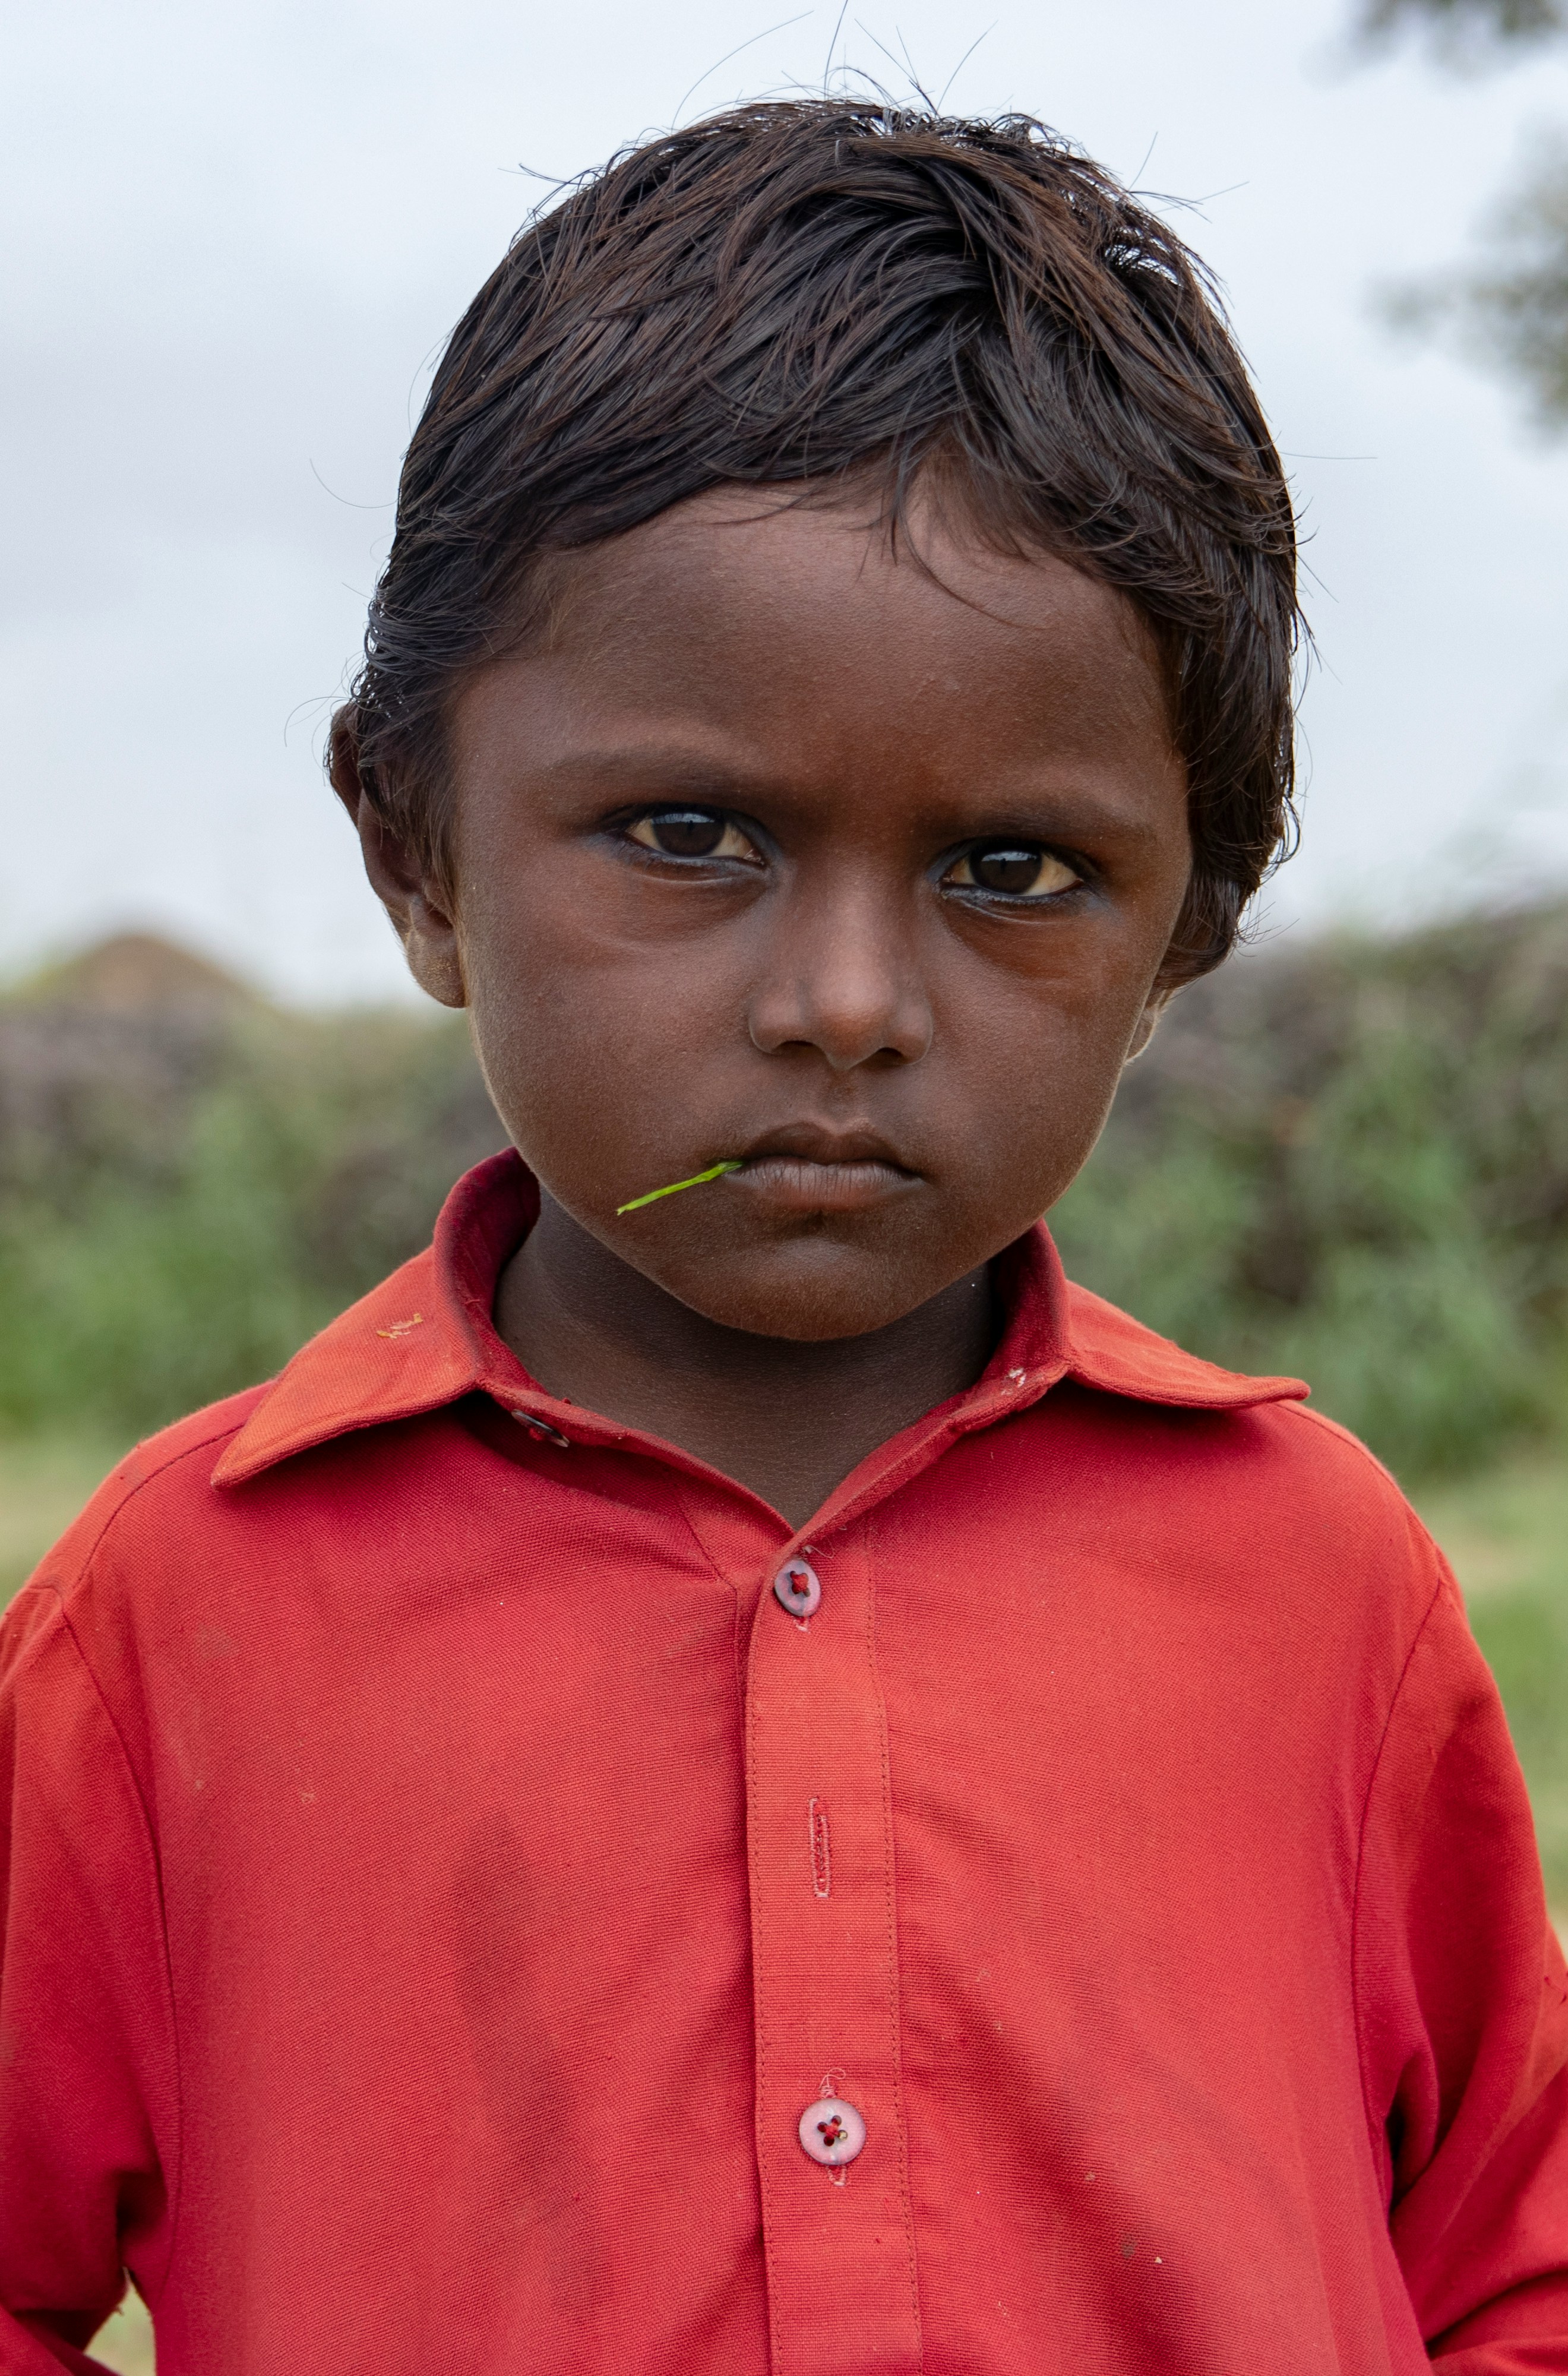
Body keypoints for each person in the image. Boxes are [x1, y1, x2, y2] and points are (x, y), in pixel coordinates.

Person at [2, 99, 1563, 2376]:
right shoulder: (175, 1627)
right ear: (416, 849)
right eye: (690, 831)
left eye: (1013, 869)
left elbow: (1511, 2280)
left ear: (1189, 926)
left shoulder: (1324, 1586)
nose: (844, 1003)